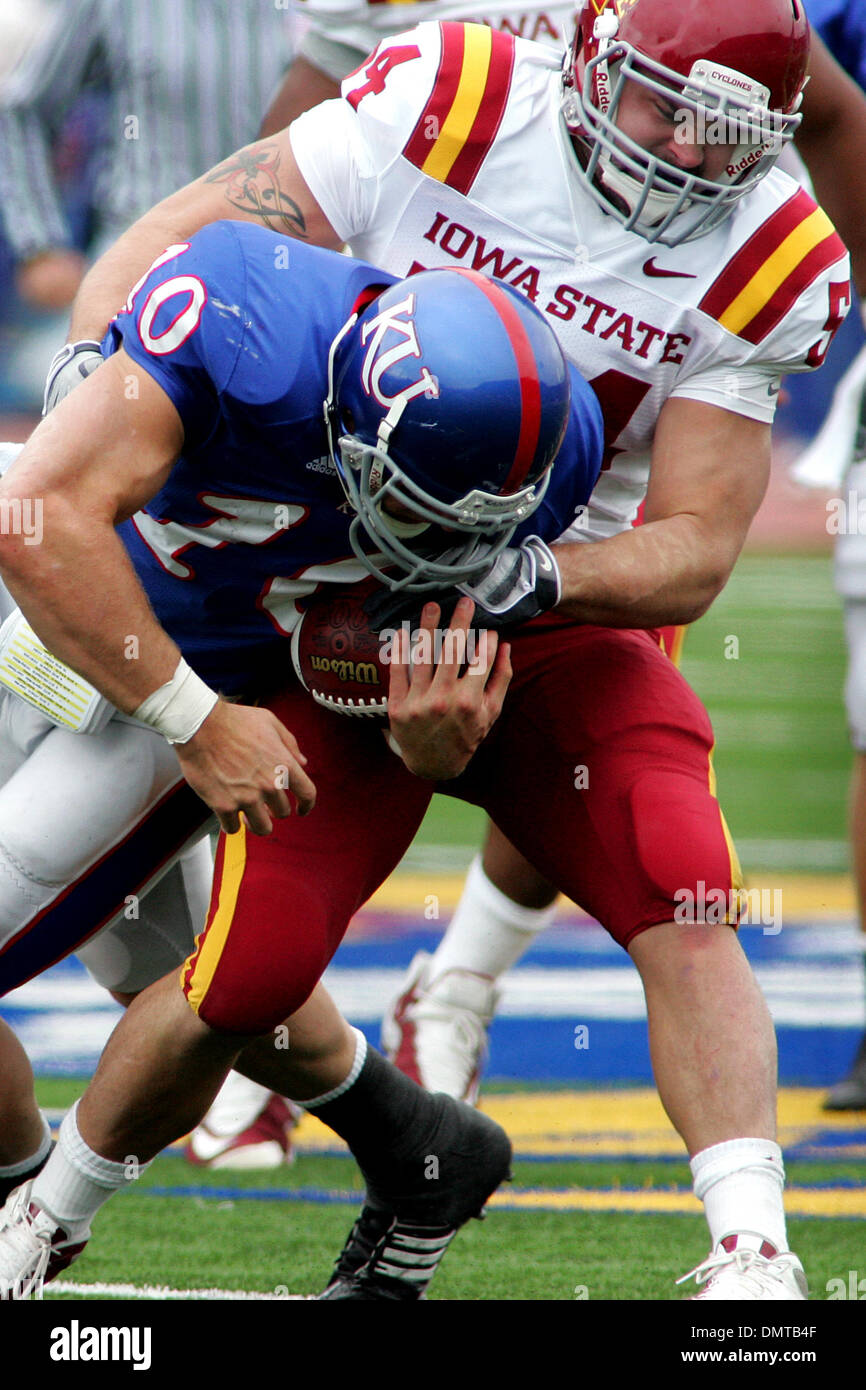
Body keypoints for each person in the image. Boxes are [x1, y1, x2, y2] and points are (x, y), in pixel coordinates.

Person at [0, 0, 851, 1303]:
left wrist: (530, 574)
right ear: (582, 58)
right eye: (658, 104)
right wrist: (93, 375)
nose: (682, 150)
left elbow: (689, 545)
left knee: (674, 862)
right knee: (242, 963)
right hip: (295, 598)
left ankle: (751, 1249)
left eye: (723, 132)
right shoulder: (425, 120)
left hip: (536, 603)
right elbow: (190, 250)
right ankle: (60, 1210)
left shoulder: (763, 247)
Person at [0, 225, 601, 1299]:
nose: (426, 547)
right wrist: (197, 720)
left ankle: (28, 1210)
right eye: (407, 510)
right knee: (187, 982)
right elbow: (38, 520)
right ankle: (420, 1147)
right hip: (83, 631)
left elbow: (532, 602)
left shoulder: (553, 448)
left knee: (215, 986)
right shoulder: (245, 320)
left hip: (153, 700)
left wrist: (433, 717)